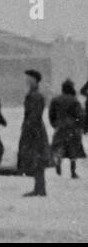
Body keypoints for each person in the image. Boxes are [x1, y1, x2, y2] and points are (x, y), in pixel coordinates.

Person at [18, 69, 52, 197]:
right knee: (37, 159)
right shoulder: (34, 94)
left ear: (34, 80)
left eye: (28, 78)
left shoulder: (35, 95)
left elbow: (34, 114)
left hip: (34, 130)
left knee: (36, 158)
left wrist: (28, 127)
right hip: (35, 128)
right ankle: (39, 187)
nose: (26, 81)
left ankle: (40, 188)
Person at [49, 79, 84, 179]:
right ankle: (73, 172)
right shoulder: (74, 100)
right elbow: (79, 115)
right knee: (73, 150)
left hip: (60, 127)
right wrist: (80, 125)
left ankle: (58, 162)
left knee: (59, 147)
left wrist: (55, 124)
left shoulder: (56, 100)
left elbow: (51, 114)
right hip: (72, 128)